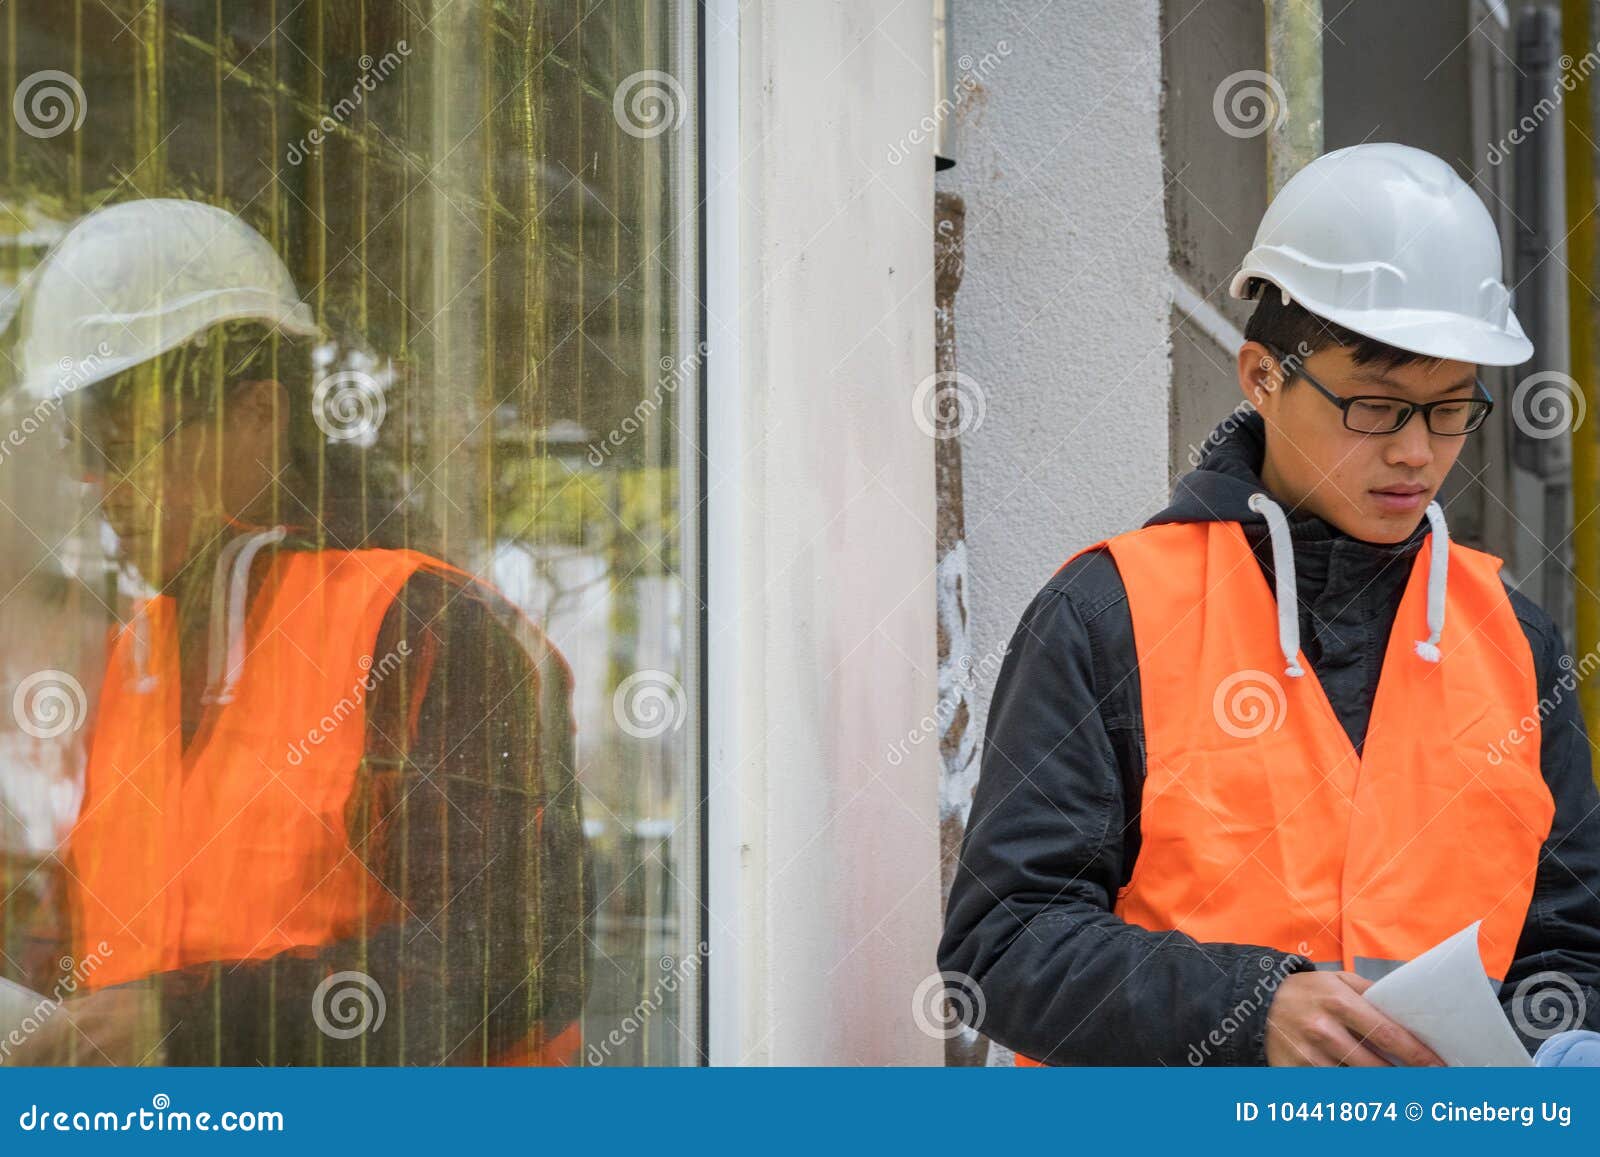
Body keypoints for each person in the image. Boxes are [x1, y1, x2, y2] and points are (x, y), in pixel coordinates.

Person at [939, 142, 1600, 1067]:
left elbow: (1570, 952)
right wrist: (1254, 1012)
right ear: (1262, 376)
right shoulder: (1109, 614)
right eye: (1376, 405)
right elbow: (1001, 948)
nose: (1417, 451)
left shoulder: (1516, 643)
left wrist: (1537, 1051)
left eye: (1451, 408)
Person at [3, 198, 589, 1065]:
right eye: (93, 449)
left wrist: (186, 1026)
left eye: (133, 444)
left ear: (258, 420)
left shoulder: (424, 627)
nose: (104, 484)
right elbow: (117, 941)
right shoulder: (139, 652)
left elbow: (519, 964)